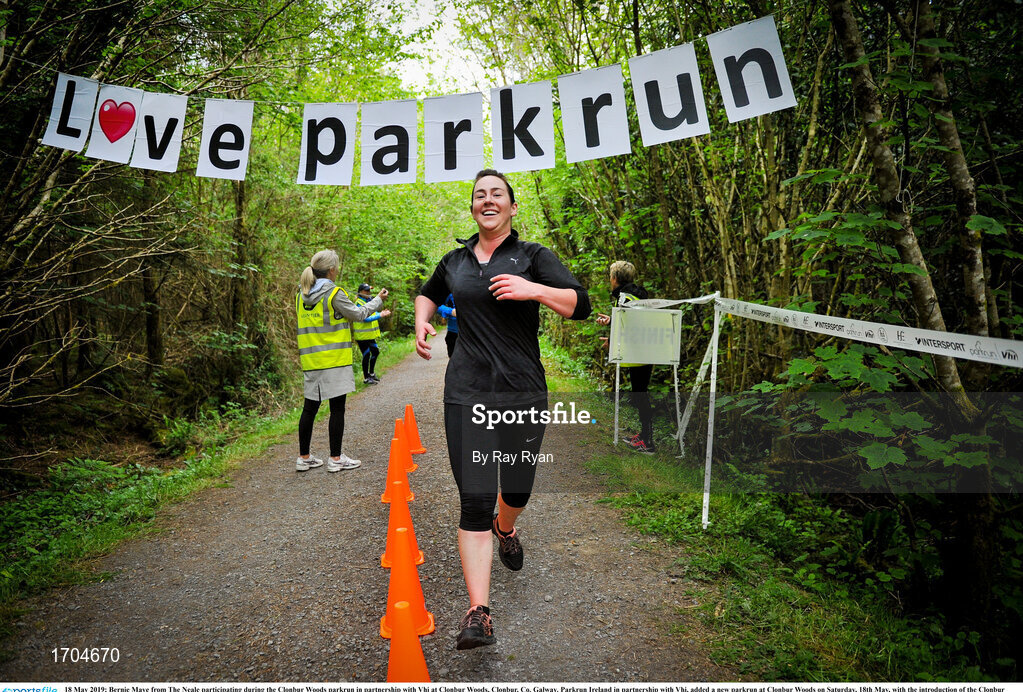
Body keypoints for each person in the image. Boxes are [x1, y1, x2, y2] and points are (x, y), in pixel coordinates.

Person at [414, 169, 591, 650]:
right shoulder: (455, 260)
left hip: (521, 393)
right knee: (474, 498)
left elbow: (581, 304)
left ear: (513, 208)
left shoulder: (534, 257)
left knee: (517, 488)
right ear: (472, 208)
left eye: (497, 195)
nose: (487, 200)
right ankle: (479, 613)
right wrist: (421, 323)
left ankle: (506, 527)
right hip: (467, 392)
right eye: (479, 195)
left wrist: (534, 290)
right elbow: (428, 293)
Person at [296, 250, 389, 472]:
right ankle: (336, 459)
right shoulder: (333, 293)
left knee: (310, 408)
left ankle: (304, 457)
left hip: (311, 359)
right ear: (331, 270)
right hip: (334, 359)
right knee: (337, 408)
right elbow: (358, 314)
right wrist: (378, 300)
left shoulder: (301, 294)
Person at [596, 260, 655, 454]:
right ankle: (644, 436)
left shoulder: (624, 297)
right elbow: (630, 320)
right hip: (644, 350)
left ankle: (648, 442)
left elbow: (631, 324)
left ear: (614, 278)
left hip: (639, 352)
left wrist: (612, 339)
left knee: (640, 394)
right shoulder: (635, 294)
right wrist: (612, 322)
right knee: (640, 393)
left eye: (610, 276)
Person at [353, 282, 392, 384]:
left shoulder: (368, 301)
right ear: (360, 292)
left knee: (375, 352)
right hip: (361, 336)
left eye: (369, 290)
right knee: (366, 355)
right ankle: (366, 378)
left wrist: (382, 313)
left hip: (369, 335)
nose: (368, 292)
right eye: (366, 290)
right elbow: (365, 318)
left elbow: (374, 313)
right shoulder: (359, 303)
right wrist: (381, 315)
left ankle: (371, 373)